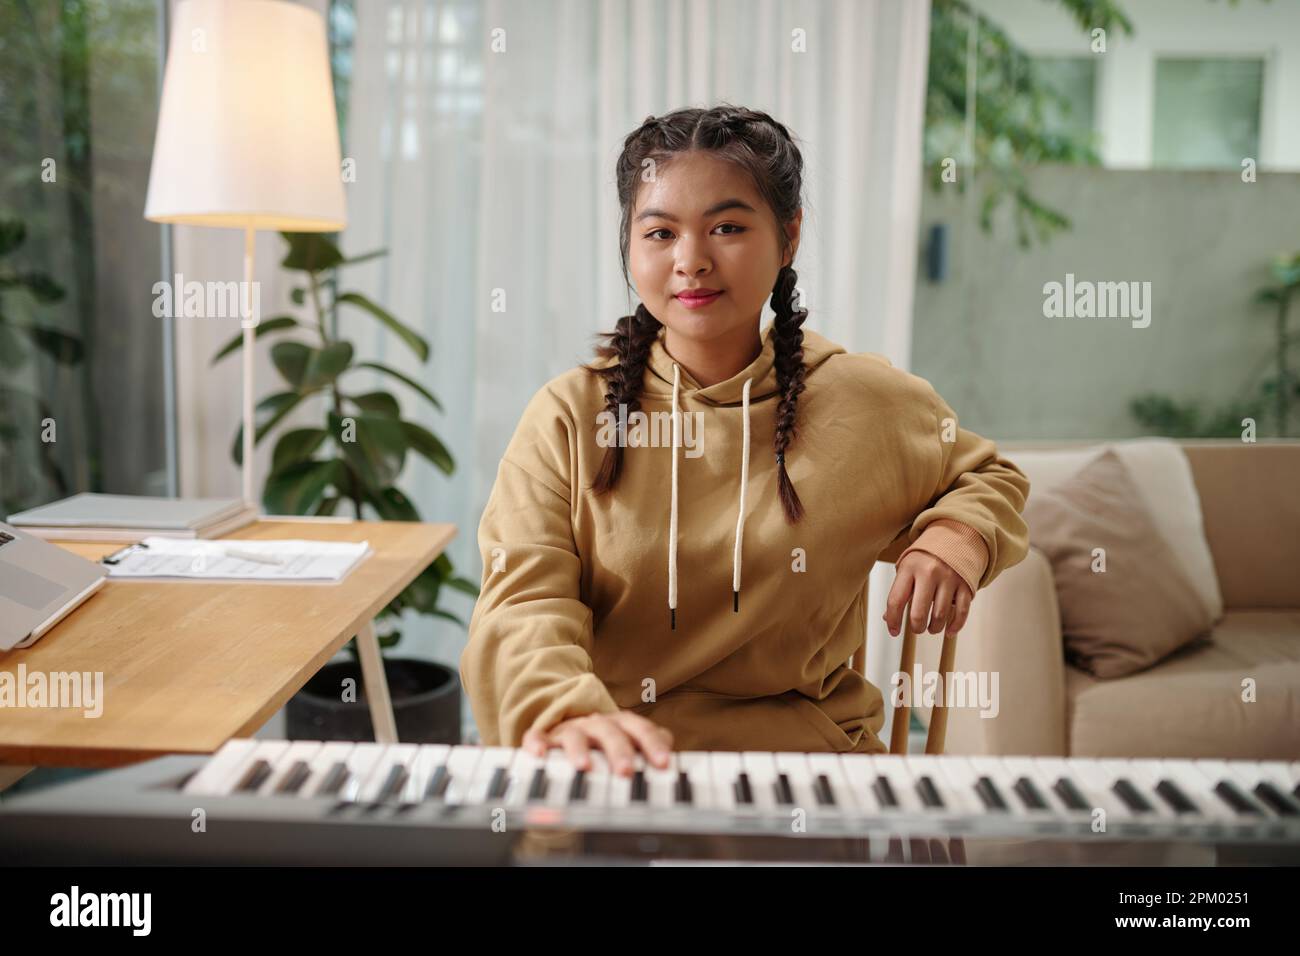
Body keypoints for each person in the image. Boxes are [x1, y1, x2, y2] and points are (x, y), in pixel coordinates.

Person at [461, 105, 1030, 777]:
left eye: (727, 227)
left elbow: (988, 475)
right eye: (661, 232)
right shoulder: (568, 416)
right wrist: (567, 711)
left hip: (813, 771)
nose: (691, 261)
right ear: (630, 246)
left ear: (787, 239)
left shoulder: (865, 403)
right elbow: (524, 600)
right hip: (616, 759)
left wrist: (955, 538)